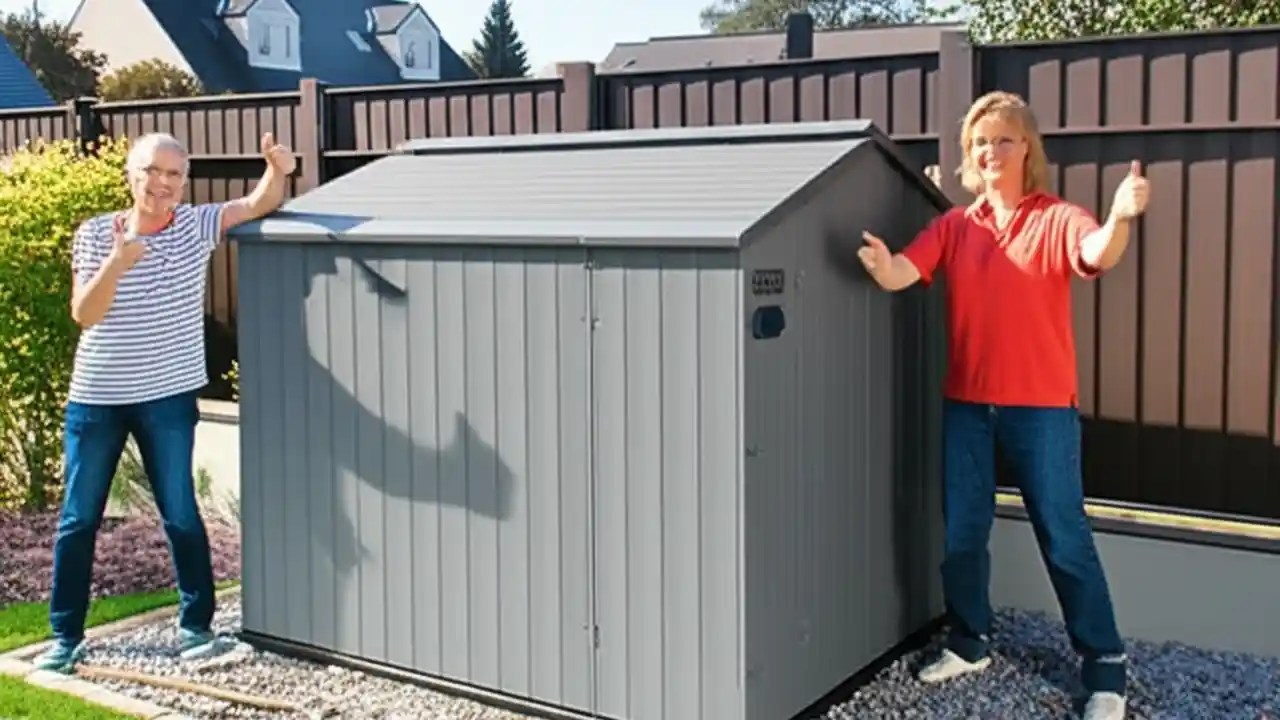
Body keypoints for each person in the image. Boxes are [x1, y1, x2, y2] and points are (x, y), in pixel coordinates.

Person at [858, 91, 1148, 720]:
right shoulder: (956, 226)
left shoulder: (1056, 217)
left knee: (1064, 537)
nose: (991, 150)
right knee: (962, 533)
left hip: (1042, 410)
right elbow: (905, 272)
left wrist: (1121, 217)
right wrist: (883, 266)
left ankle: (1105, 671)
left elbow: (1096, 251)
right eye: (981, 141)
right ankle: (969, 641)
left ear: (1027, 149)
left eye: (1004, 139)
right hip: (967, 406)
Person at [34, 131, 296, 673]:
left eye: (175, 175)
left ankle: (196, 630)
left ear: (184, 182)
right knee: (78, 519)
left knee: (180, 512)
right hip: (97, 400)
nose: (164, 184)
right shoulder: (92, 234)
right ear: (132, 175)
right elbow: (85, 314)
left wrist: (278, 168)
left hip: (168, 398)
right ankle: (65, 638)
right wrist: (118, 261)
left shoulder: (196, 226)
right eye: (154, 171)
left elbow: (258, 203)